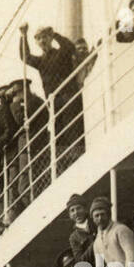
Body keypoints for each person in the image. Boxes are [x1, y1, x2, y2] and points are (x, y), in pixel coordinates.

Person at [20, 23, 84, 165]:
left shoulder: (61, 54)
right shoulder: (41, 61)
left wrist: (55, 34)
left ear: (50, 39)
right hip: (54, 100)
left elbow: (69, 47)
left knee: (72, 126)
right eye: (39, 39)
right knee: (59, 129)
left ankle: (76, 154)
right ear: (36, 43)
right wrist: (23, 36)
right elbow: (25, 57)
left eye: (45, 37)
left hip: (68, 95)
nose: (42, 41)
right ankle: (64, 159)